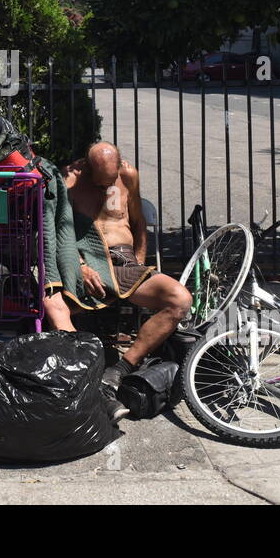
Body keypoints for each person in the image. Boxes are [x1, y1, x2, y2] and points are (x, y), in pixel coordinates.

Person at [43, 142, 192, 413]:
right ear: (86, 167)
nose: (104, 189)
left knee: (180, 299)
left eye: (108, 183)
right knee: (54, 305)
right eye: (99, 184)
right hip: (85, 263)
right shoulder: (69, 180)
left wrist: (139, 259)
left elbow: (138, 223)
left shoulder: (128, 176)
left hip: (124, 262)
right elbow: (57, 233)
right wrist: (80, 265)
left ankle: (121, 369)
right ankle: (88, 382)